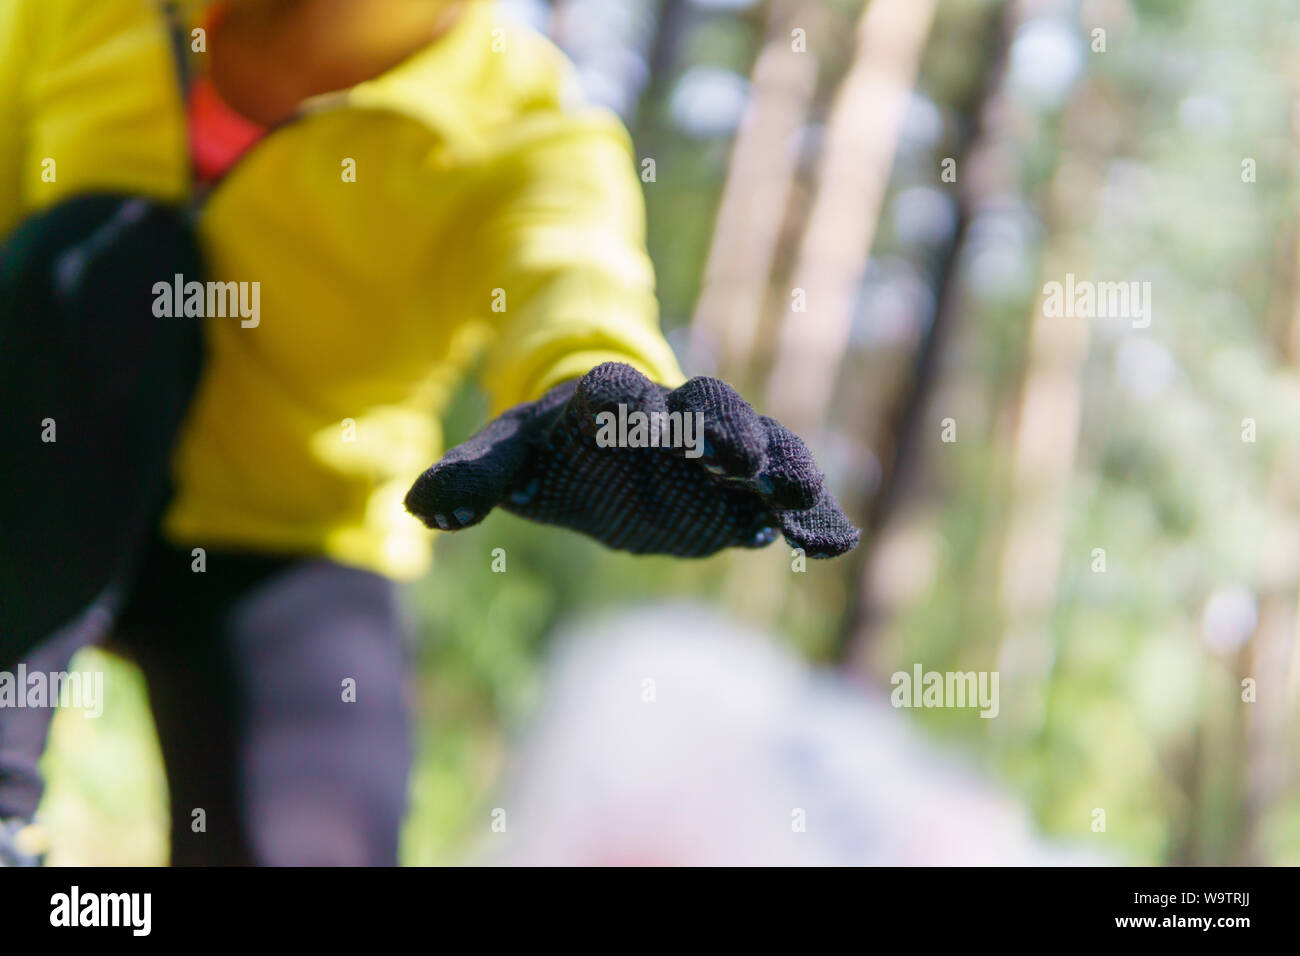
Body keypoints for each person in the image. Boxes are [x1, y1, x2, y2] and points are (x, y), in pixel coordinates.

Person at [0, 0, 855, 865]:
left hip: (289, 534)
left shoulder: (526, 125)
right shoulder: (82, 13)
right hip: (35, 479)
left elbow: (576, 292)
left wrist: (598, 403)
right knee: (108, 266)